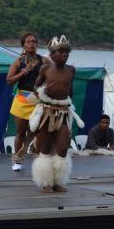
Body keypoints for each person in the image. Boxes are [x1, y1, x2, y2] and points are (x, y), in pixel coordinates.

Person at [29, 35, 84, 192]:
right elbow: (35, 87)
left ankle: (58, 181)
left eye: (67, 52)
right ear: (52, 54)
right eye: (61, 52)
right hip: (47, 111)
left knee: (62, 147)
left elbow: (70, 91)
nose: (65, 55)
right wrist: (43, 91)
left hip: (63, 113)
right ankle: (46, 182)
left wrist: (64, 101)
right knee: (45, 147)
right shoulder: (45, 69)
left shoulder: (71, 70)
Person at [6, 33, 47, 171]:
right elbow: (9, 80)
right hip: (22, 100)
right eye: (28, 42)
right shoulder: (18, 61)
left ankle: (40, 159)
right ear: (23, 44)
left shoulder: (45, 61)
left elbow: (54, 74)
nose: (32, 44)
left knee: (40, 133)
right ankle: (17, 160)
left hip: (38, 101)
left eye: (34, 41)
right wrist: (24, 71)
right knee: (20, 132)